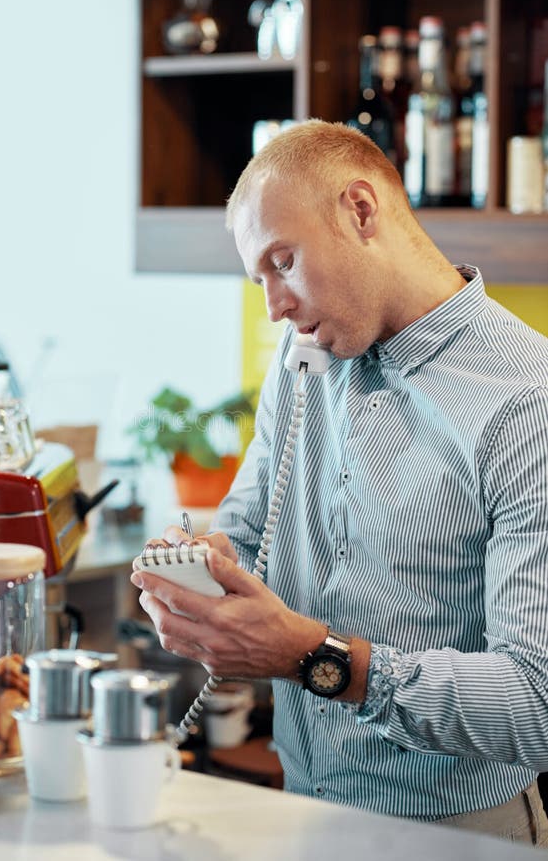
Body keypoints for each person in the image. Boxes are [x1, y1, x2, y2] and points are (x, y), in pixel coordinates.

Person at [130, 120, 548, 845]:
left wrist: (311, 659)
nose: (274, 306)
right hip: (302, 808)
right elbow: (249, 525)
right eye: (258, 279)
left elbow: (534, 704)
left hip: (455, 831)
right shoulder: (302, 362)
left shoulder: (525, 402)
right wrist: (196, 569)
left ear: (359, 211)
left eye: (282, 262)